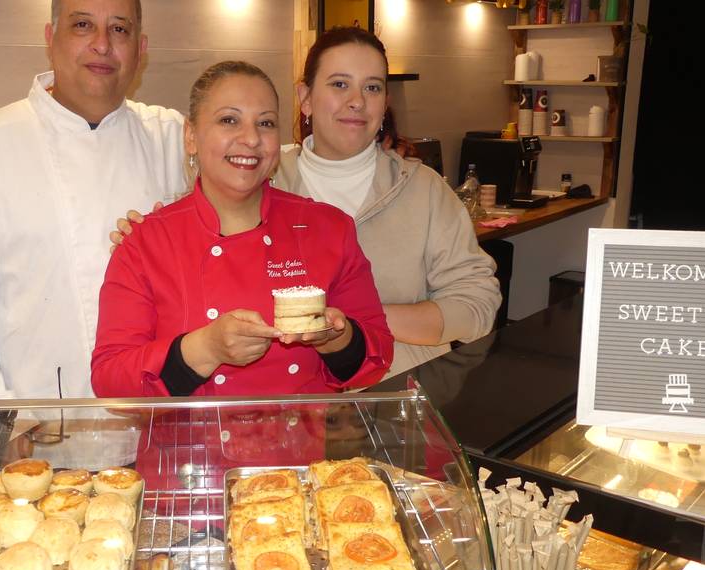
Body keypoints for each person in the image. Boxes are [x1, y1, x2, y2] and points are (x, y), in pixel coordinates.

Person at [114, 28, 501, 377]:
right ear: (305, 98)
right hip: (286, 410)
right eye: (338, 84)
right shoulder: (254, 173)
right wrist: (141, 239)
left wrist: (349, 320)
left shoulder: (424, 191)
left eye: (372, 88)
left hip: (393, 400)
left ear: (385, 103)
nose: (356, 102)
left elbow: (478, 305)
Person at [0, 0, 187, 399]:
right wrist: (3, 423)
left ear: (141, 48)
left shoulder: (174, 138)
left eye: (119, 29)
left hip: (159, 427)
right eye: (82, 25)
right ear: (50, 38)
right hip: (41, 432)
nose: (102, 45)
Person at [91, 61, 393, 397]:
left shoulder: (328, 228)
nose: (251, 139)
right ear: (191, 136)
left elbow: (376, 357)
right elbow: (111, 379)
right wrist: (205, 349)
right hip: (188, 447)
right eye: (229, 120)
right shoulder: (146, 242)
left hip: (302, 445)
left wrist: (337, 337)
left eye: (265, 123)